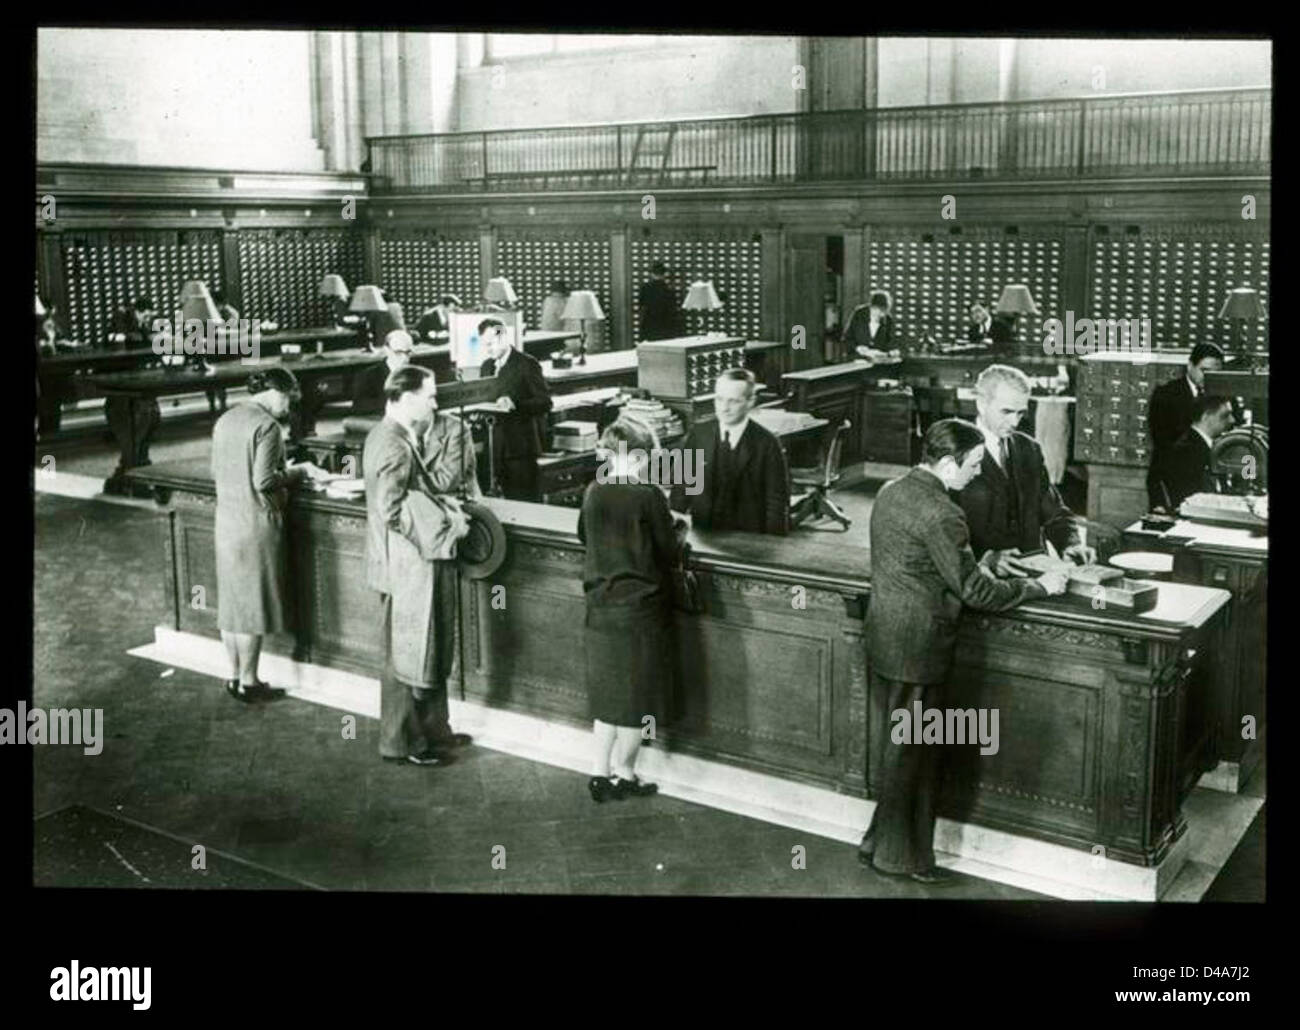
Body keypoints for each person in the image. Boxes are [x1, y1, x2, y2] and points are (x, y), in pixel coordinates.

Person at [860, 418, 1067, 884]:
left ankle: (877, 843)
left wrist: (986, 561)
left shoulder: (891, 491)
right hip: (920, 648)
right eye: (973, 465)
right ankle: (903, 859)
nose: (976, 473)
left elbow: (925, 564)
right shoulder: (943, 512)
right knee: (916, 754)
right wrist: (1040, 585)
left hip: (886, 637)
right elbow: (975, 591)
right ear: (949, 462)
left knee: (900, 751)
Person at [363, 364, 475, 766]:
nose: (434, 403)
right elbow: (392, 510)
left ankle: (434, 731)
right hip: (403, 566)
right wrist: (444, 525)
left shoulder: (388, 433)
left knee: (423, 645)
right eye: (429, 396)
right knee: (403, 655)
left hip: (406, 563)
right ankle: (403, 743)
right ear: (406, 397)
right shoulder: (393, 443)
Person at [578, 418, 686, 802]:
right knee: (637, 700)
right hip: (639, 612)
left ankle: (598, 771)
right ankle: (625, 773)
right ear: (640, 455)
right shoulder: (647, 495)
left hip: (600, 607)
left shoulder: (594, 490)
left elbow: (583, 537)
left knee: (609, 698)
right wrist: (676, 525)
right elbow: (669, 553)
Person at [212, 367, 320, 703]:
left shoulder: (226, 419)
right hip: (255, 525)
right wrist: (299, 471)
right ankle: (250, 681)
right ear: (276, 392)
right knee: (252, 606)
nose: (289, 408)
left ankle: (233, 676)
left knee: (232, 605)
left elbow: (217, 469)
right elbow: (264, 480)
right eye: (288, 399)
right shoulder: (267, 425)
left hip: (227, 520)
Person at [956, 364, 1101, 576]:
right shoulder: (954, 452)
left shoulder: (1028, 448)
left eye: (1020, 413)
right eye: (1006, 412)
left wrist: (1070, 543)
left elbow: (1053, 511)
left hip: (1037, 578)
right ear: (981, 403)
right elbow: (941, 532)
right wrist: (985, 559)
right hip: (982, 582)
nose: (1014, 422)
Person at [670, 368, 789, 534]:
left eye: (733, 401)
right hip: (703, 533)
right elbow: (682, 489)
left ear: (750, 401)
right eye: (719, 399)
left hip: (749, 539)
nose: (724, 408)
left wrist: (772, 545)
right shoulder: (699, 434)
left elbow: (776, 504)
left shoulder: (767, 444)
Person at [479, 317, 553, 501]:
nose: (488, 349)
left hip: (521, 449)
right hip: (494, 447)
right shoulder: (487, 367)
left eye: (492, 344)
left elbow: (545, 402)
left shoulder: (527, 364)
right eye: (484, 345)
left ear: (504, 338)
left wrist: (516, 405)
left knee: (525, 501)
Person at [1146, 342, 1225, 510]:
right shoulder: (1166, 395)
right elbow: (1164, 443)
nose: (1210, 377)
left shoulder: (1224, 396)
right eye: (1205, 371)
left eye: (1216, 373)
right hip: (1172, 479)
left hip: (1209, 480)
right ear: (1190, 366)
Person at [1155, 394, 1235, 510]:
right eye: (1225, 416)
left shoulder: (1209, 446)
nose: (1232, 420)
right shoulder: (1184, 451)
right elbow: (1189, 498)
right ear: (1206, 416)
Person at [351, 329, 415, 415]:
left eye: (408, 352)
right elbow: (358, 407)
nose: (404, 358)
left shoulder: (417, 374)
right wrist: (396, 402)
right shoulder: (368, 376)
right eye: (398, 352)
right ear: (387, 350)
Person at [845, 290, 896, 360]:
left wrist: (891, 351)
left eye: (884, 312)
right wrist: (857, 348)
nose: (882, 315)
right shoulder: (859, 314)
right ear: (872, 307)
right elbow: (847, 338)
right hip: (857, 359)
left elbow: (890, 342)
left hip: (878, 361)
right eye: (880, 311)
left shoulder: (888, 319)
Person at [638, 261, 681, 341]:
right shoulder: (669, 289)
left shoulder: (645, 288)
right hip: (665, 325)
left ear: (651, 274)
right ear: (664, 274)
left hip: (649, 324)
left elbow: (641, 305)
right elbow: (673, 310)